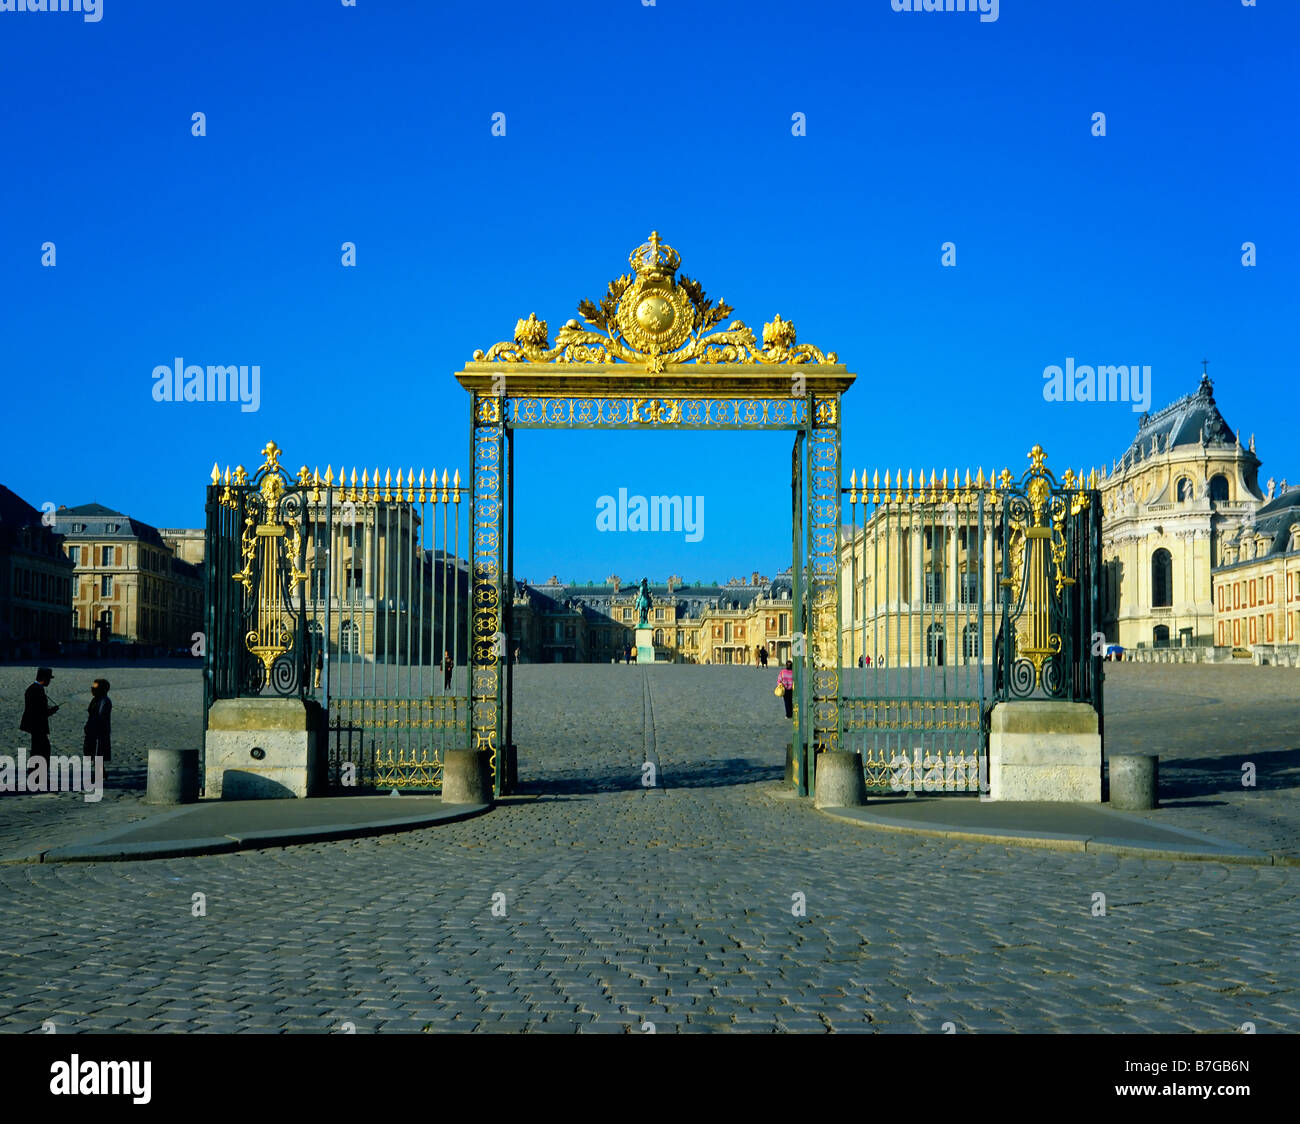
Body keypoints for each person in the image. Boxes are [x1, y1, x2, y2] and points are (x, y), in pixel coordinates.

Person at [20, 667, 58, 760]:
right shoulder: (37, 690)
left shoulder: (34, 688)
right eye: (48, 679)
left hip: (35, 725)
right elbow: (39, 711)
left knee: (37, 748)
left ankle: (36, 769)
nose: (49, 681)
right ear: (44, 678)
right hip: (37, 725)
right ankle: (38, 770)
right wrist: (52, 711)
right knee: (41, 749)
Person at [83, 679, 112, 765]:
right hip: (92, 731)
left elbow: (100, 717)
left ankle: (99, 776)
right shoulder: (95, 699)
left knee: (99, 755)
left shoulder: (105, 701)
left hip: (100, 732)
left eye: (95, 688)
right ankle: (100, 774)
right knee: (90, 754)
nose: (92, 690)